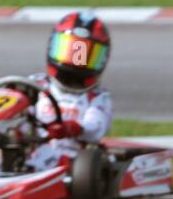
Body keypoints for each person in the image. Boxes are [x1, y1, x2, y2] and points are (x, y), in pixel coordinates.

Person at [23, 10, 113, 171]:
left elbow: (95, 128)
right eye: (71, 50)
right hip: (28, 150)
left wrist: (71, 128)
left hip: (72, 161)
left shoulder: (97, 97)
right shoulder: (35, 84)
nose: (76, 62)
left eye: (84, 54)